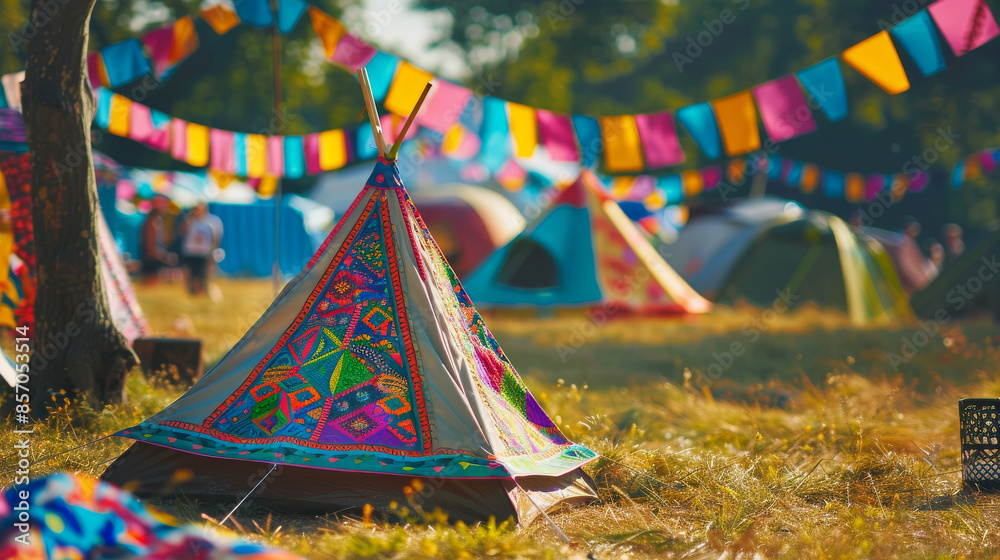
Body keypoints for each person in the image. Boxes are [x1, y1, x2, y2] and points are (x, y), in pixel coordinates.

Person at [180, 202, 223, 296]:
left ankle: (202, 292)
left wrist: (213, 252)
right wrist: (190, 218)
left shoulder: (213, 221)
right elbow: (182, 231)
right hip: (190, 251)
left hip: (203, 252)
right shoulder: (190, 220)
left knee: (202, 275)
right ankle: (192, 293)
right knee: (190, 275)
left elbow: (216, 238)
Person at [139, 195, 175, 284]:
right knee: (151, 287)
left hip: (154, 258)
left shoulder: (158, 221)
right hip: (151, 260)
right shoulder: (152, 222)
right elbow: (150, 248)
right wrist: (163, 256)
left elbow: (165, 240)